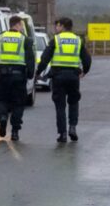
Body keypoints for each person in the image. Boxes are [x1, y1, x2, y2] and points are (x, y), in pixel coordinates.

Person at [35, 16, 92, 144]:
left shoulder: (56, 39)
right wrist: (84, 71)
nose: (56, 28)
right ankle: (73, 127)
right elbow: (87, 59)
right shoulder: (78, 40)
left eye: (57, 26)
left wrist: (38, 73)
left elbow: (45, 58)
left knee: (60, 106)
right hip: (73, 76)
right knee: (73, 102)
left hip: (58, 76)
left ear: (62, 26)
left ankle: (63, 134)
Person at [0, 16, 36, 141]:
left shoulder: (0, 37)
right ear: (19, 25)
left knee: (1, 99)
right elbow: (30, 59)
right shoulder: (25, 40)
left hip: (3, 76)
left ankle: (3, 117)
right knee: (18, 103)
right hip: (19, 77)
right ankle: (15, 131)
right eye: (21, 26)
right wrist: (31, 74)